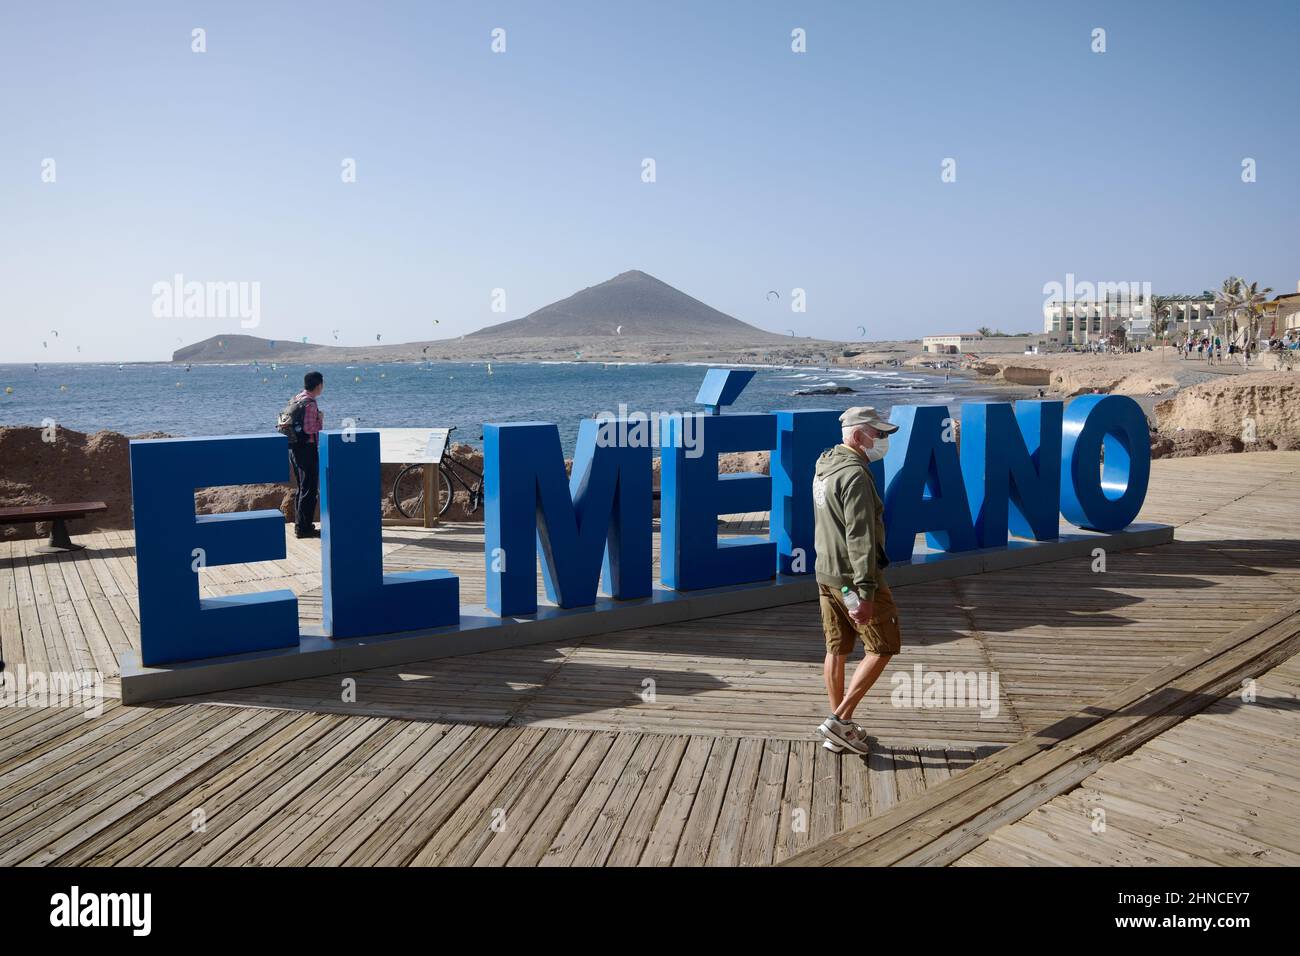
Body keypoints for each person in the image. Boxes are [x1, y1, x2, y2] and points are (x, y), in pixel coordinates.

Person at [811, 406, 902, 755]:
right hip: (854, 579)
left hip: (827, 573)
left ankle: (841, 730)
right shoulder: (856, 476)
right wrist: (865, 590)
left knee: (837, 648)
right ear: (859, 435)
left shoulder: (825, 465)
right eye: (879, 434)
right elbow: (860, 536)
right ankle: (839, 719)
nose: (882, 441)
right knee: (883, 645)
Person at [283, 371, 325, 539]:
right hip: (306, 449)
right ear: (318, 385)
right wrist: (320, 419)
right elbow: (310, 429)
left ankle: (301, 525)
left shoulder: (297, 398)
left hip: (294, 448)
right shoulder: (310, 403)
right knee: (309, 488)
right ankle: (304, 528)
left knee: (302, 488)